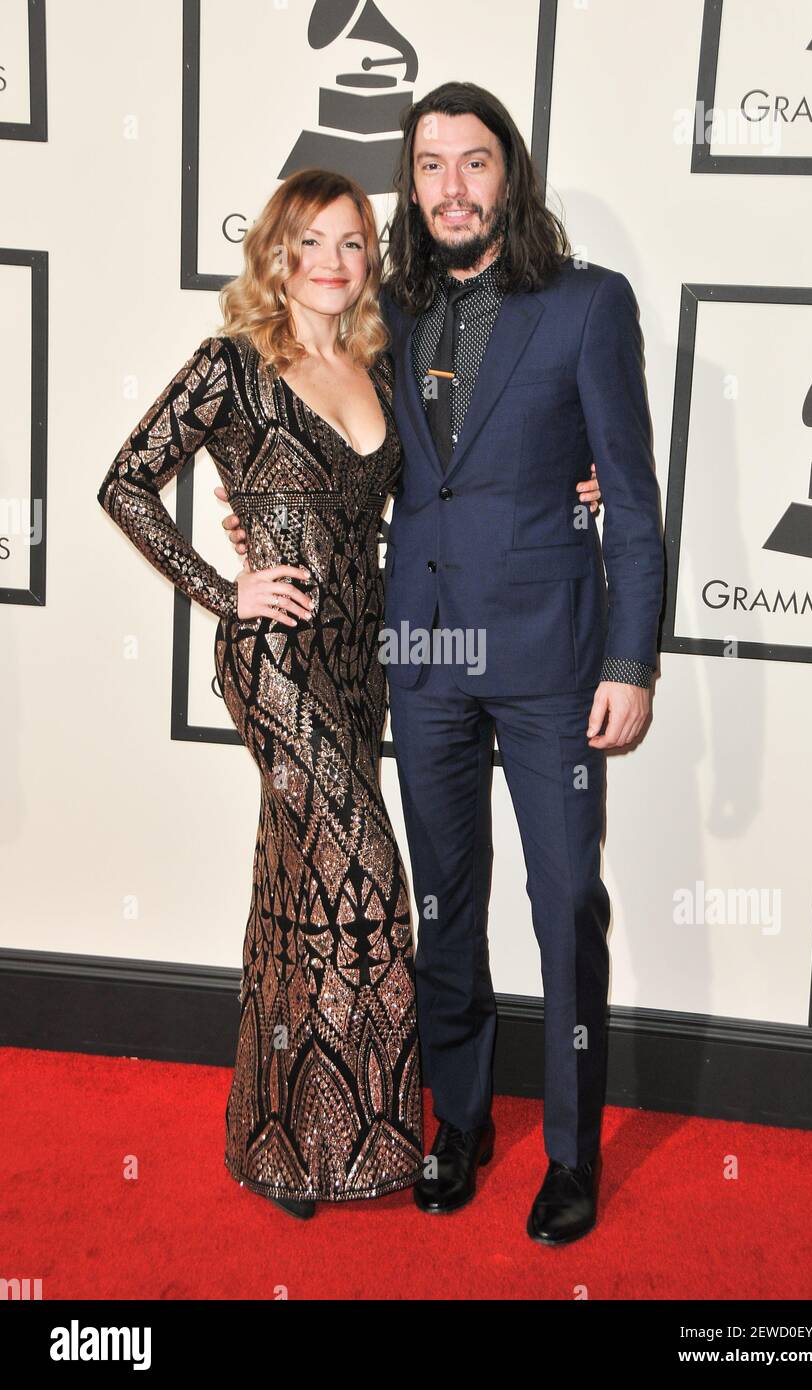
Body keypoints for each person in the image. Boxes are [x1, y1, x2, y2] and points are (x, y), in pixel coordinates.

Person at [223, 99, 626, 1244]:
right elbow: (292, 397)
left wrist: (630, 657)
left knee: (564, 911)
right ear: (414, 183)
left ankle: (569, 1151)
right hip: (422, 655)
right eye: (430, 167)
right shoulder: (384, 309)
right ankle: (458, 1121)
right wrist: (258, 517)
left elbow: (630, 497)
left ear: (509, 174)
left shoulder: (588, 303)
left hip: (551, 661)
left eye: (474, 163)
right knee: (442, 908)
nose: (451, 186)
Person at [97, 169, 444, 1220]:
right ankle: (327, 1135)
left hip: (355, 664)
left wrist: (577, 485)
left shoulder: (379, 372)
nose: (334, 263)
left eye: (352, 245)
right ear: (277, 257)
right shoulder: (233, 367)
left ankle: (287, 1138)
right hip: (277, 661)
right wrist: (226, 588)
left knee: (299, 891)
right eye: (312, 243)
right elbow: (124, 482)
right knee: (366, 878)